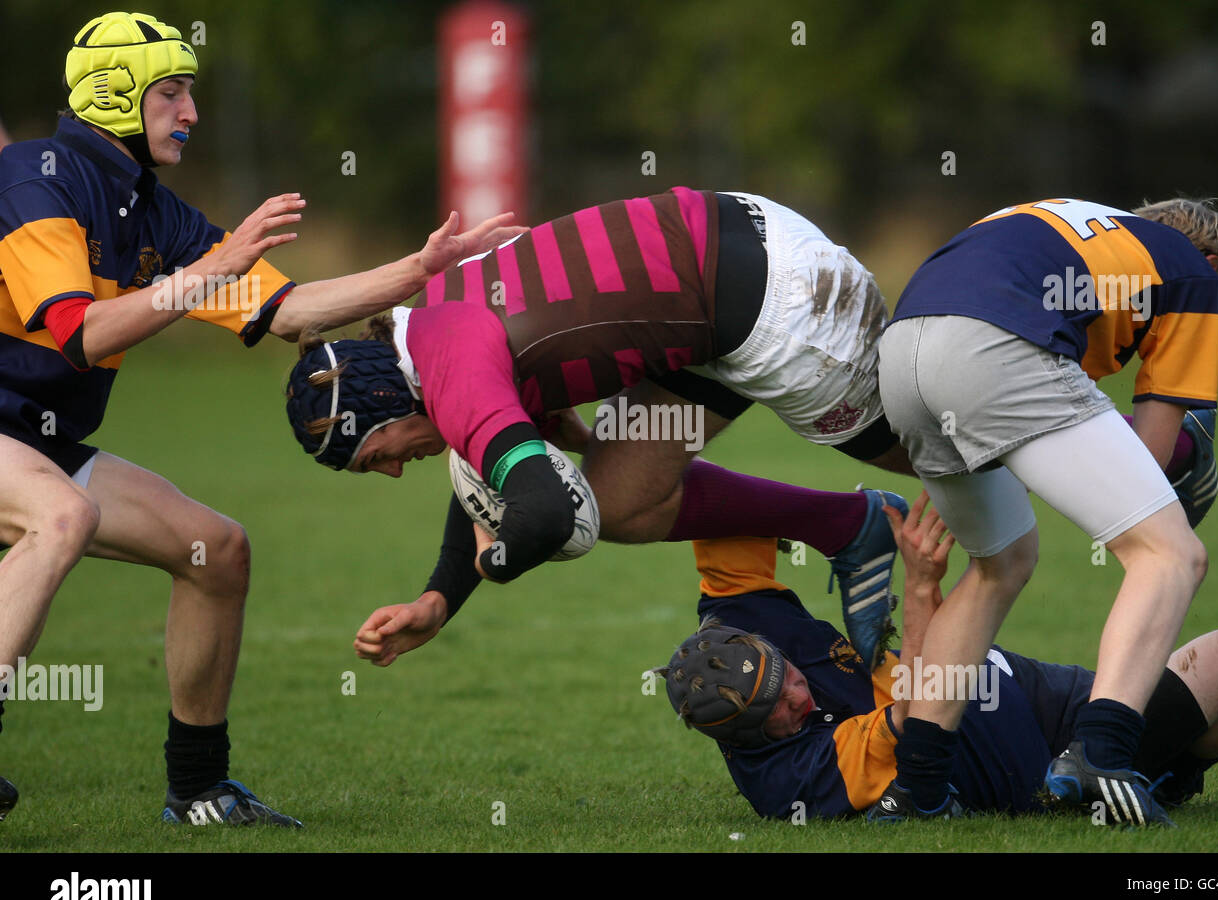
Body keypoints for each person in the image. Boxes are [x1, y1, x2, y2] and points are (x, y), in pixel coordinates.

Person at [0, 11, 520, 827]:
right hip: (15, 440)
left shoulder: (149, 209)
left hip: (38, 442)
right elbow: (82, 333)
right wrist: (212, 267)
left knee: (219, 553)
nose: (191, 112)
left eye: (192, 93)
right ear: (114, 97)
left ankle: (200, 791)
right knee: (62, 518)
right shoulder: (37, 176)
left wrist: (414, 271)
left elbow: (285, 310)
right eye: (170, 93)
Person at [286, 188, 915, 669]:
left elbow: (549, 513)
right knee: (621, 499)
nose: (395, 470)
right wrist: (436, 602)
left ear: (382, 403)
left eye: (376, 457)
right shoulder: (429, 330)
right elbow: (488, 473)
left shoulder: (448, 371)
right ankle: (855, 528)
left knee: (934, 451)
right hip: (722, 276)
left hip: (779, 302)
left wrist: (495, 564)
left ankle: (1003, 485)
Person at [872, 197, 1218, 823]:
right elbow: (1152, 458)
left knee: (999, 563)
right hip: (996, 350)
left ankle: (918, 788)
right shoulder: (1189, 272)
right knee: (1170, 554)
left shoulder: (1065, 228)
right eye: (1216, 316)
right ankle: (1101, 753)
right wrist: (1191, 454)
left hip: (901, 356)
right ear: (1212, 262)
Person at [660, 494, 1218, 823]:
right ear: (743, 739)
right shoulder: (789, 778)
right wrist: (921, 586)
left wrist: (842, 519)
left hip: (1036, 689)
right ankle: (1119, 778)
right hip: (1036, 758)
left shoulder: (742, 625)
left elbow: (714, 499)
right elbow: (922, 708)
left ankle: (1161, 777)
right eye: (779, 709)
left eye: (786, 674)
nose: (799, 695)